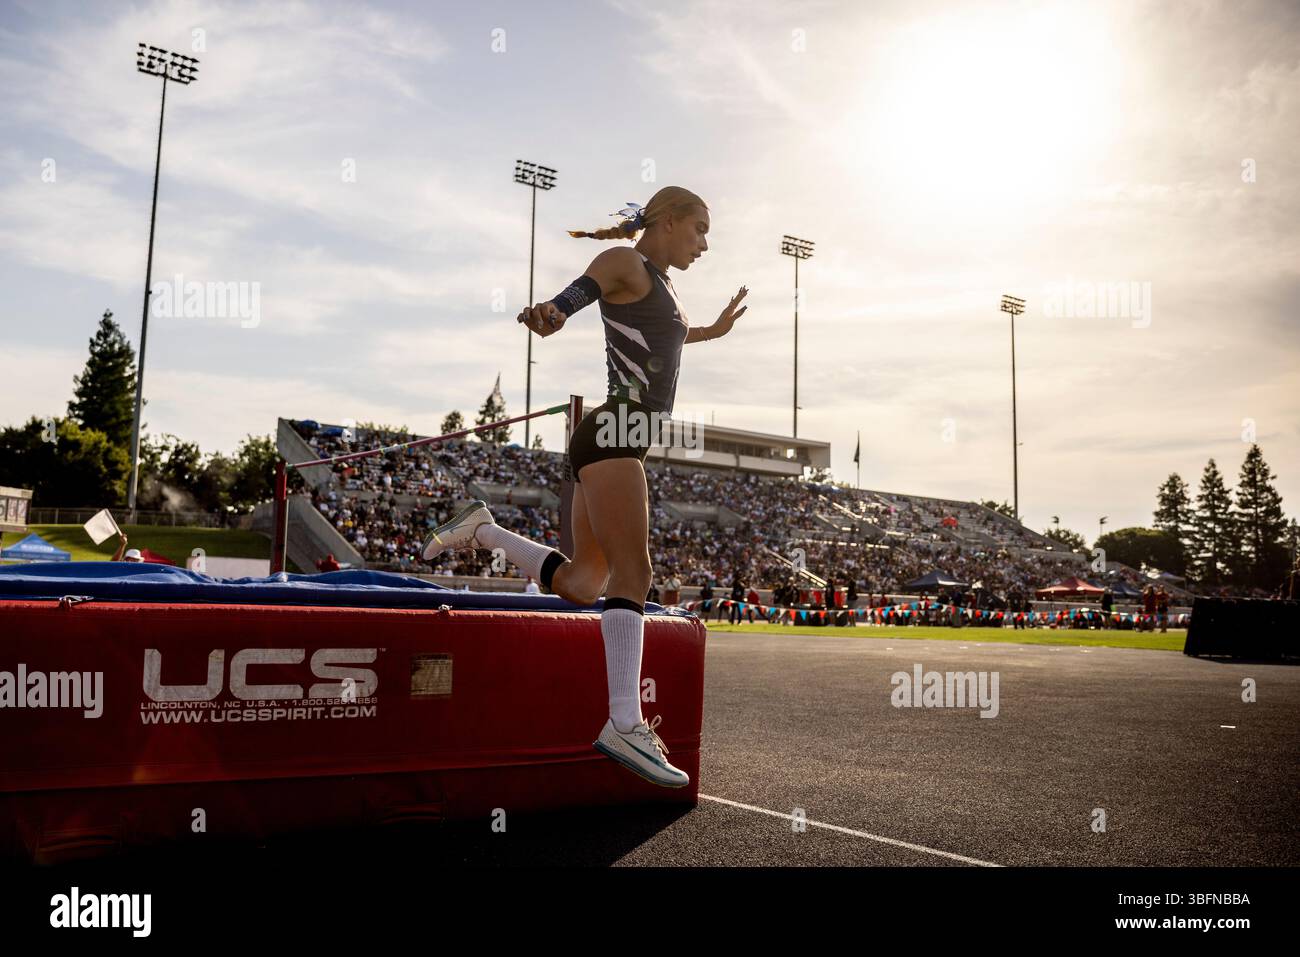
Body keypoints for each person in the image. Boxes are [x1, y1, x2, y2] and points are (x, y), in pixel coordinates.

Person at [421, 187, 746, 790]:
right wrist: (549, 313)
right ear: (668, 221)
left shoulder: (664, 287)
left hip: (616, 435)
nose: (705, 243)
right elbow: (571, 300)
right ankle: (623, 723)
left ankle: (481, 527)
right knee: (635, 574)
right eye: (699, 229)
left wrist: (713, 331)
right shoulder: (626, 263)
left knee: (580, 583)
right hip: (616, 428)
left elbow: (667, 336)